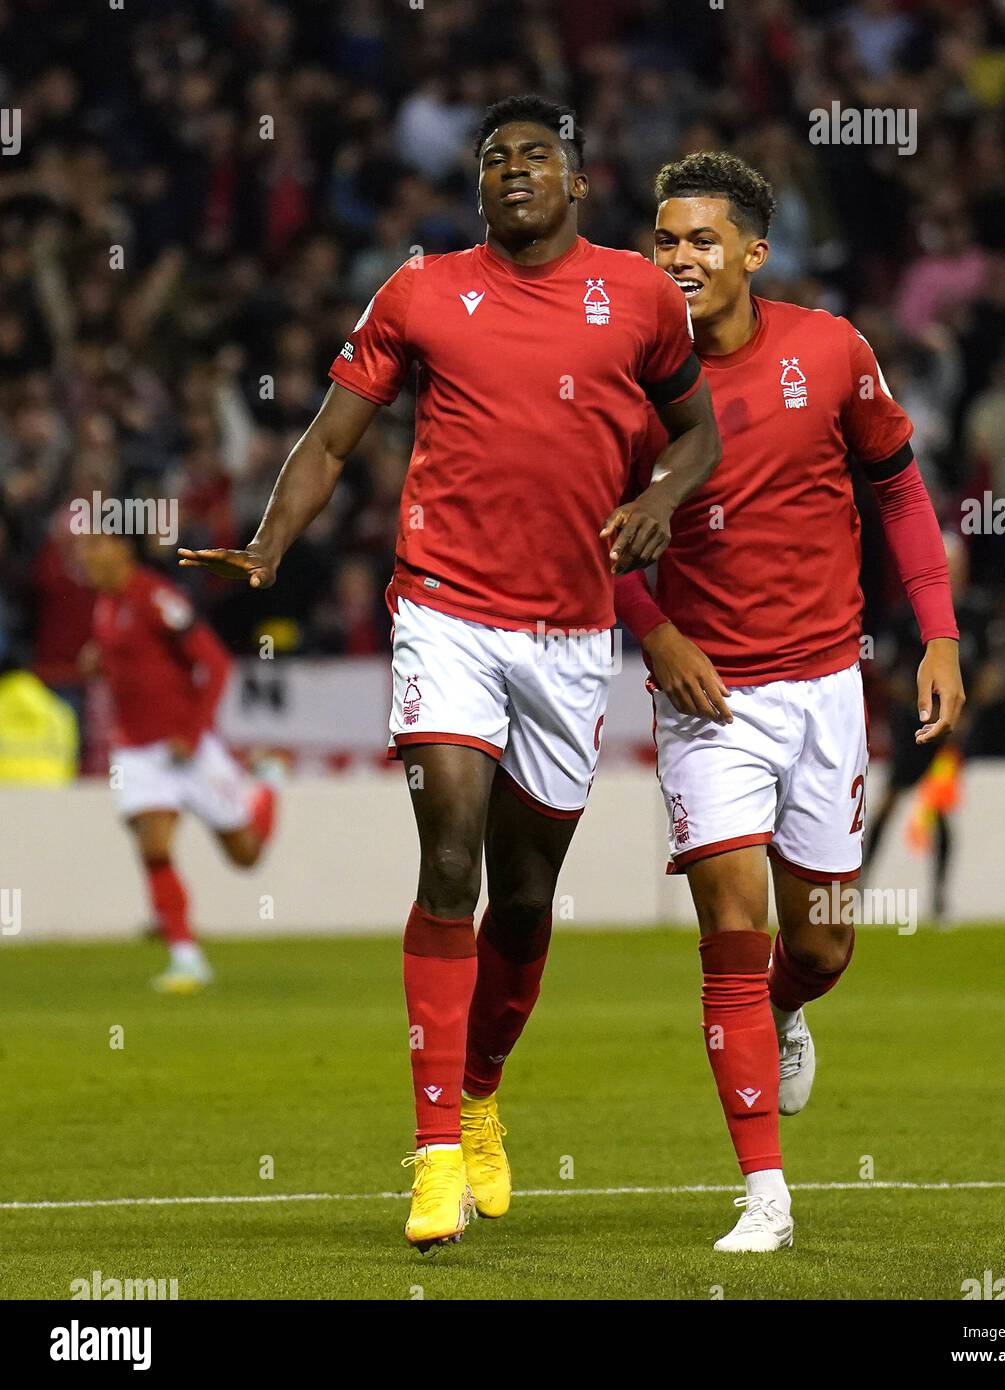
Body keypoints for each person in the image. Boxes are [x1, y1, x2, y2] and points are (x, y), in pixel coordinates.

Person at [177, 95, 722, 1252]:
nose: (513, 170)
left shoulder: (634, 295)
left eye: (535, 155)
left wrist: (661, 499)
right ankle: (431, 1155)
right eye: (493, 159)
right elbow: (332, 437)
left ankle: (479, 1091)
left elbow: (697, 432)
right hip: (443, 612)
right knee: (450, 858)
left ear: (574, 180)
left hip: (572, 636)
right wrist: (270, 543)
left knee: (523, 900)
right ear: (475, 186)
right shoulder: (421, 291)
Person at [614, 152, 965, 1252]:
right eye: (665, 238)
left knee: (817, 949)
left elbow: (899, 487)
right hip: (705, 699)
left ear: (753, 253)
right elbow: (602, 530)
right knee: (730, 920)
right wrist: (656, 631)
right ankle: (763, 1191)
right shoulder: (627, 382)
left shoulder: (830, 349)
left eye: (701, 239)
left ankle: (788, 1007)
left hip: (823, 690)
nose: (678, 257)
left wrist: (939, 635)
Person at [80, 529, 277, 994]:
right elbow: (138, 665)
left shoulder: (156, 597)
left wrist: (191, 733)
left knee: (245, 855)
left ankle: (267, 786)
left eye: (94, 546)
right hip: (137, 751)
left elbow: (215, 662)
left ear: (121, 550)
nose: (86, 557)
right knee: (153, 844)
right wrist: (99, 661)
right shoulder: (105, 605)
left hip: (185, 747)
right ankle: (187, 957)